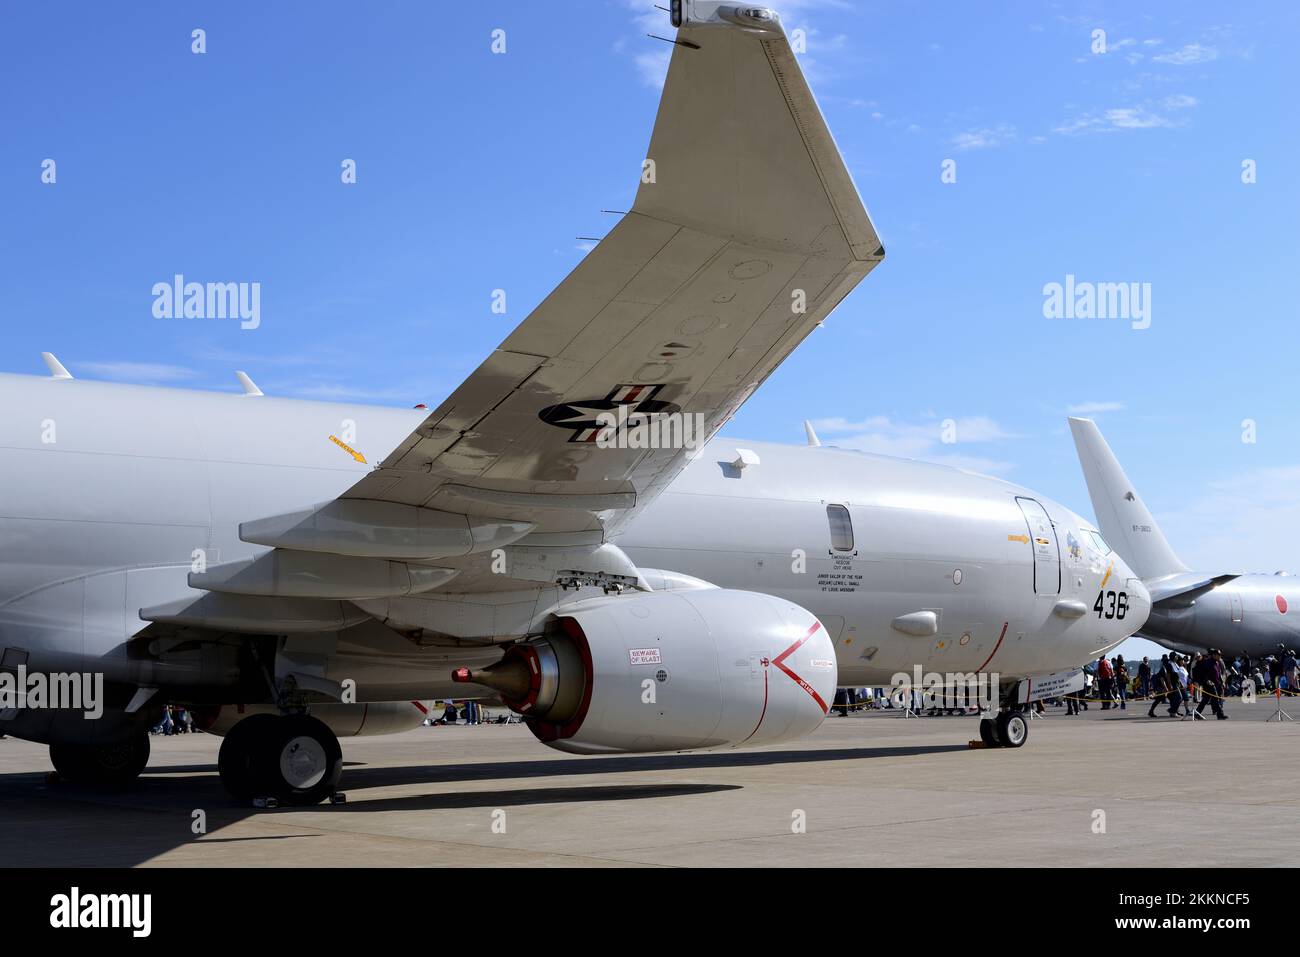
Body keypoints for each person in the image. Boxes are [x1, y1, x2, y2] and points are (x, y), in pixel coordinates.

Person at [1192, 650, 1225, 719]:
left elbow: (1218, 673)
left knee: (1205, 700)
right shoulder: (1207, 662)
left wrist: (1222, 682)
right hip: (1209, 684)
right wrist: (1206, 680)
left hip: (1216, 684)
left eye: (1220, 655)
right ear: (1213, 655)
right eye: (1218, 655)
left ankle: (1197, 714)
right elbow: (1203, 673)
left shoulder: (1217, 662)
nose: (1219, 656)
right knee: (1216, 699)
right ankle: (1220, 715)